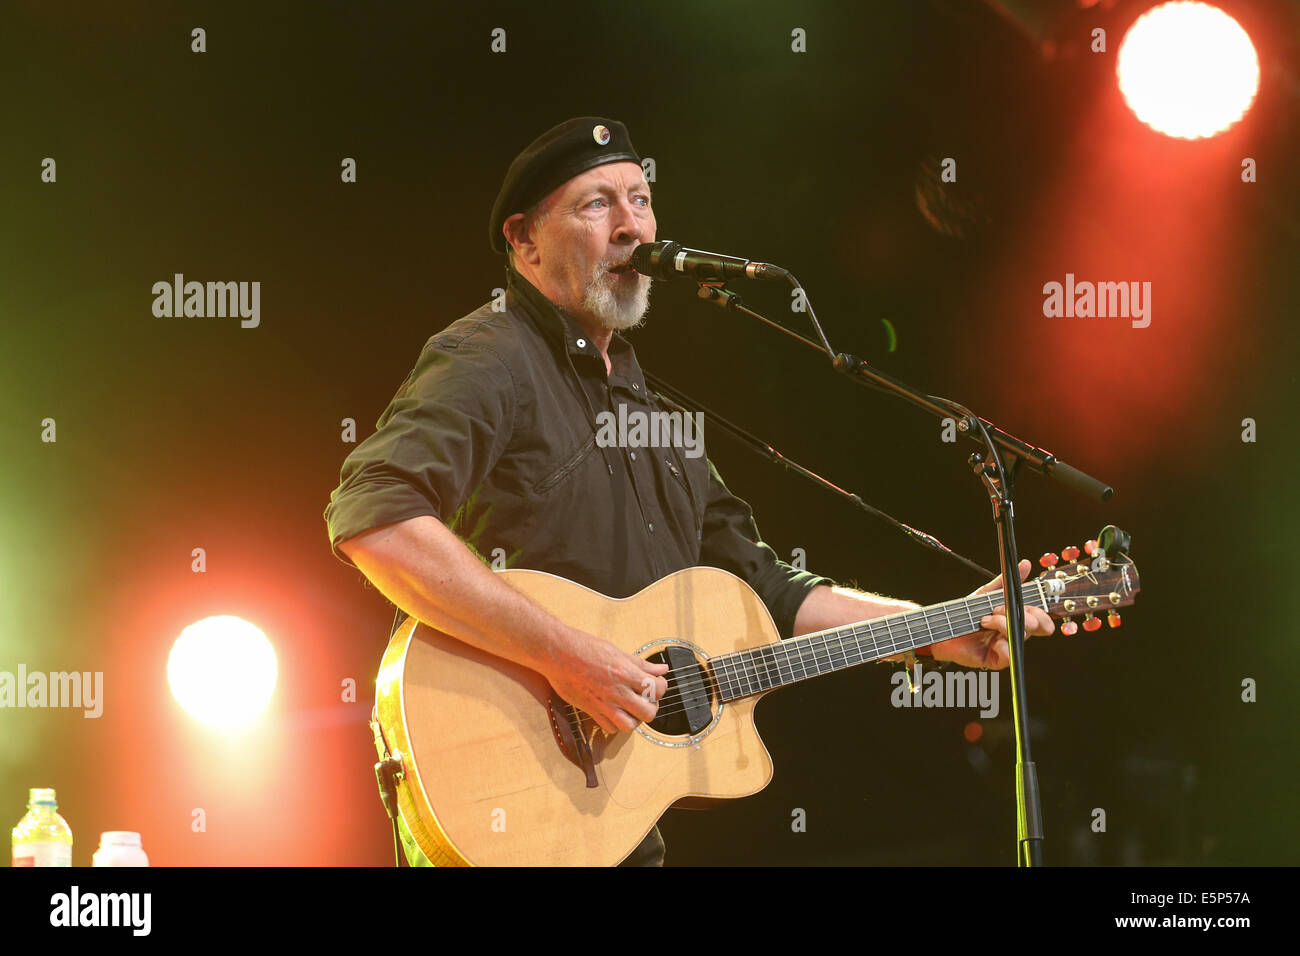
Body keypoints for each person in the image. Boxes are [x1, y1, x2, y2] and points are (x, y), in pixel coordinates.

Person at [324, 116, 1054, 867]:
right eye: (596, 204)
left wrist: (938, 627)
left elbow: (767, 588)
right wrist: (568, 656)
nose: (631, 227)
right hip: (498, 798)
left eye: (640, 199)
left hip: (609, 813)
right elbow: (375, 518)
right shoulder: (491, 356)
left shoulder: (658, 416)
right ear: (525, 240)